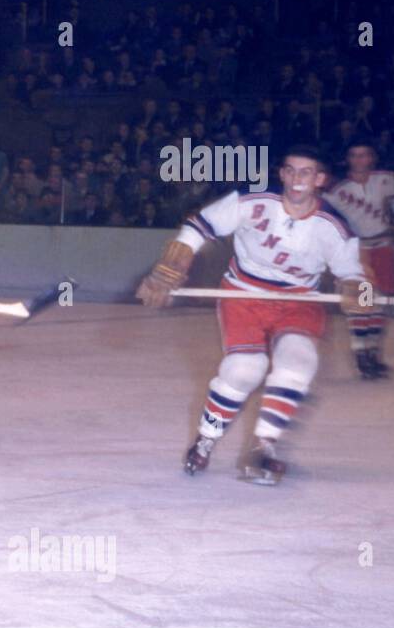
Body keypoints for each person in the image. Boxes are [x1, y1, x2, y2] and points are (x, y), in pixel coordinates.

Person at [137, 146, 372, 484]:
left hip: (299, 300)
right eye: (290, 170)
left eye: (306, 172)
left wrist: (361, 293)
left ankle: (265, 446)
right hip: (244, 293)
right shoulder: (252, 201)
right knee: (244, 369)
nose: (296, 179)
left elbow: (353, 273)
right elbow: (199, 226)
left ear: (321, 179)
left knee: (298, 361)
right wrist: (170, 266)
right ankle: (206, 438)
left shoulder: (334, 226)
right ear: (282, 174)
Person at [325, 138, 394, 378]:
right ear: (347, 159)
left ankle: (373, 352)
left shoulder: (387, 180)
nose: (359, 160)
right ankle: (362, 354)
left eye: (364, 154)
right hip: (358, 251)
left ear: (373, 157)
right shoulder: (338, 191)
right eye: (354, 155)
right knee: (363, 302)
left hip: (383, 246)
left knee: (379, 301)